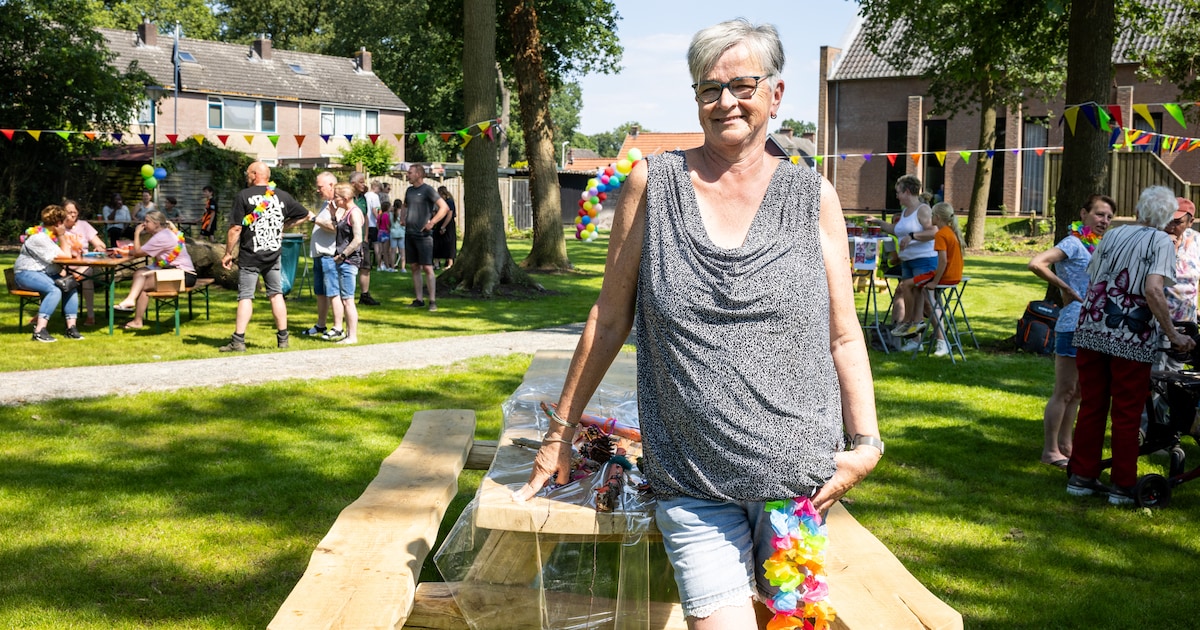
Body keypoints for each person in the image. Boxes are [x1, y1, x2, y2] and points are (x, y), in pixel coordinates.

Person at [513, 19, 879, 629]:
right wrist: (559, 432)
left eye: (742, 84)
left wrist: (866, 445)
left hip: (796, 482)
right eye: (709, 89)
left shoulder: (811, 195)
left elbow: (844, 334)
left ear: (776, 95)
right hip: (691, 481)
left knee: (795, 624)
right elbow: (608, 317)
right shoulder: (652, 184)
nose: (725, 101)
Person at [1067, 186, 1195, 505]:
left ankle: (1081, 477)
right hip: (1130, 333)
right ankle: (1122, 486)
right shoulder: (1162, 241)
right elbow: (1153, 291)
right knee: (1127, 411)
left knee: (1093, 404)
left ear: (1138, 210)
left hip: (1092, 326)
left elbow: (1096, 278)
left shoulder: (1114, 233)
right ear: (1167, 217)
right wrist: (1174, 334)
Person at [1027, 195, 1115, 469]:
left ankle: (1066, 445)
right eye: (1100, 214)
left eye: (1109, 217)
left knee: (1078, 392)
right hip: (1072, 325)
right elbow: (1036, 263)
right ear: (1084, 213)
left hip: (1093, 325)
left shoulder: (1097, 246)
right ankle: (1050, 450)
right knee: (1064, 391)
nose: (1105, 221)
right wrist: (1063, 287)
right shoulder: (1073, 243)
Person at [219, 161, 314, 352]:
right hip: (273, 254)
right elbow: (306, 214)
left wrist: (228, 253)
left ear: (254, 174)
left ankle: (238, 341)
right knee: (276, 294)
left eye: (248, 173)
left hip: (250, 254)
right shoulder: (283, 196)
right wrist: (283, 226)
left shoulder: (243, 196)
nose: (247, 177)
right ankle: (283, 339)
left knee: (245, 296)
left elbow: (236, 228)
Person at [867, 174, 937, 341]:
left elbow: (933, 232)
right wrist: (878, 222)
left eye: (898, 192)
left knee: (918, 295)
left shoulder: (923, 209)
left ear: (907, 191)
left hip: (924, 259)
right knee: (915, 295)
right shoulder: (905, 212)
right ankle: (915, 338)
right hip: (908, 261)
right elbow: (895, 230)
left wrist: (912, 237)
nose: (896, 195)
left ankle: (928, 332)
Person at [112, 210, 197, 329]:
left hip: (184, 275)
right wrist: (123, 252)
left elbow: (138, 253)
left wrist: (136, 234)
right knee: (140, 273)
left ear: (157, 223)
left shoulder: (161, 237)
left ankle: (132, 304)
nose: (144, 224)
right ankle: (136, 317)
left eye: (147, 221)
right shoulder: (165, 233)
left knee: (141, 282)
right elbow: (141, 252)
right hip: (175, 272)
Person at [15, 205, 84, 342]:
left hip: (44, 273)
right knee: (54, 290)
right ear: (59, 223)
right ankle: (39, 330)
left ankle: (71, 328)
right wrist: (62, 235)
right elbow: (66, 256)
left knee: (69, 285)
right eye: (63, 221)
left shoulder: (48, 237)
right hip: (26, 273)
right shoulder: (39, 238)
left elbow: (65, 256)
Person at [905, 202, 965, 357]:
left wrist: (935, 282)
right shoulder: (950, 231)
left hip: (946, 276)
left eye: (932, 215)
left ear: (937, 218)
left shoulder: (940, 234)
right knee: (915, 287)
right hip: (954, 275)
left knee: (906, 284)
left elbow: (943, 261)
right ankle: (916, 326)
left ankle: (909, 322)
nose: (930, 217)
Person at [302, 172, 346, 340]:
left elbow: (336, 227)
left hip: (330, 255)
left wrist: (314, 219)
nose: (318, 190)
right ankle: (321, 325)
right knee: (320, 292)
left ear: (331, 186)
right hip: (319, 255)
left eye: (320, 187)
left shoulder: (340, 205)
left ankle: (338, 327)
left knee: (333, 292)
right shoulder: (326, 204)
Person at [1159, 197, 1200, 371]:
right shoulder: (1154, 240)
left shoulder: (1196, 241)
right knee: (1154, 374)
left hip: (1186, 324)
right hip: (1157, 322)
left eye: (1177, 222)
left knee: (1175, 376)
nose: (1170, 226)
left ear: (1190, 222)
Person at [401, 164, 449, 311]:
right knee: (414, 267)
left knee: (428, 267)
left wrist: (432, 223)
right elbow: (404, 205)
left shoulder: (428, 190)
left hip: (424, 236)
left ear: (418, 174)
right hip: (409, 234)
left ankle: (432, 301)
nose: (407, 175)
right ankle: (419, 299)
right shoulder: (409, 190)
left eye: (410, 173)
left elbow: (444, 207)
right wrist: (403, 218)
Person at [62, 200, 110, 327]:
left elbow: (101, 244)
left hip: (82, 264)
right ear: (62, 213)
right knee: (47, 275)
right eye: (69, 212)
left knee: (86, 277)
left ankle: (90, 315)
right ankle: (41, 314)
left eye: (75, 212)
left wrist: (99, 247)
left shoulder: (83, 225)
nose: (73, 215)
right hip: (62, 264)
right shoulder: (58, 226)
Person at [329, 182, 366, 344]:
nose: (334, 200)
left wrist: (343, 255)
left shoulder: (354, 213)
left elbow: (358, 239)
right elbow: (341, 231)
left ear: (345, 198)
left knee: (348, 300)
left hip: (349, 261)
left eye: (336, 197)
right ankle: (349, 334)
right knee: (345, 299)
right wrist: (333, 214)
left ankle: (352, 336)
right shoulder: (345, 212)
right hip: (343, 260)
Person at [351, 172, 381, 305]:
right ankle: (347, 295)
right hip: (348, 239)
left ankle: (364, 295)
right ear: (353, 184)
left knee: (365, 266)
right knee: (349, 268)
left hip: (362, 238)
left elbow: (366, 217)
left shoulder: (363, 198)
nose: (364, 185)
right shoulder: (346, 198)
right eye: (361, 182)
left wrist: (366, 236)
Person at [434, 186, 458, 270]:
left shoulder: (449, 202)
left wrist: (443, 226)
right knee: (437, 243)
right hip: (439, 222)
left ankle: (450, 264)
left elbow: (449, 215)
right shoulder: (440, 202)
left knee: (449, 243)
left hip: (448, 224)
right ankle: (436, 263)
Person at [377, 201, 394, 272]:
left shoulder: (379, 215)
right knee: (386, 251)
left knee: (380, 251)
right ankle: (387, 266)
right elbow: (387, 225)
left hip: (380, 233)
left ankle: (379, 266)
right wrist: (390, 231)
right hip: (386, 234)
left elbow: (377, 225)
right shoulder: (387, 215)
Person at [391, 199, 407, 273]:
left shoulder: (391, 213)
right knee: (402, 252)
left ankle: (392, 267)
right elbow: (403, 222)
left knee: (393, 252)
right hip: (401, 233)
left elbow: (389, 223)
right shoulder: (402, 212)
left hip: (393, 233)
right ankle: (403, 268)